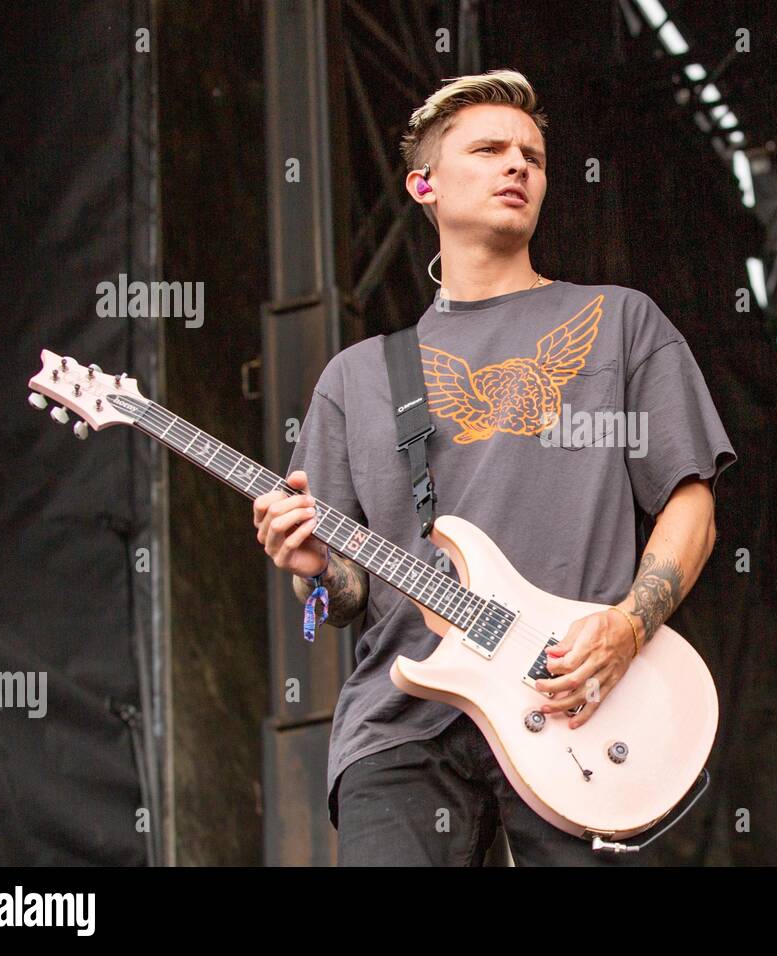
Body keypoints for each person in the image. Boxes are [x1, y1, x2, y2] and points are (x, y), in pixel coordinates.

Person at [252, 69, 736, 866]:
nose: (518, 166)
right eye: (489, 149)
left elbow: (693, 504)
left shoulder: (619, 321)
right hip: (402, 725)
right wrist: (311, 569)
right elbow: (338, 599)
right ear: (424, 185)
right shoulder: (360, 376)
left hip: (577, 702)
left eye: (534, 156)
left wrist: (627, 625)